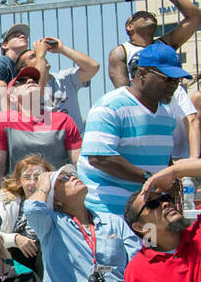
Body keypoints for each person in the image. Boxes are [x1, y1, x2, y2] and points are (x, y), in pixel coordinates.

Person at [78, 42, 187, 217]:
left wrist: (171, 185)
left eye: (177, 80)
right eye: (168, 78)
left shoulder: (167, 114)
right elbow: (99, 158)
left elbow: (165, 160)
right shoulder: (110, 106)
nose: (174, 85)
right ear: (142, 74)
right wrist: (150, 179)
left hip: (148, 213)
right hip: (109, 214)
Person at [23, 165, 140, 282]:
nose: (72, 177)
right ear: (55, 199)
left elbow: (137, 260)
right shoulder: (51, 224)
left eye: (72, 174)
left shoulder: (113, 221)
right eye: (63, 179)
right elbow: (32, 210)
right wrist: (44, 184)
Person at [0, 66, 82, 193]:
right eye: (22, 81)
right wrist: (1, 199)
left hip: (59, 195)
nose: (30, 81)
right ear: (12, 97)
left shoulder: (63, 120)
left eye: (34, 80)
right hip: (20, 194)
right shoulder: (3, 121)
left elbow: (79, 163)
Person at [107, 0, 201, 88]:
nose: (149, 15)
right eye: (141, 15)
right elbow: (123, 91)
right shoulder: (120, 52)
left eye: (152, 15)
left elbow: (195, 17)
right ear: (129, 26)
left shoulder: (165, 45)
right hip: (144, 102)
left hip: (170, 99)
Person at [17, 35, 100, 135]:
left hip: (76, 141)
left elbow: (93, 67)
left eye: (39, 54)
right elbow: (38, 91)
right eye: (33, 56)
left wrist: (62, 49)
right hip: (46, 142)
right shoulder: (24, 89)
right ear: (24, 69)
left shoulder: (65, 78)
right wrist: (40, 56)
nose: (41, 54)